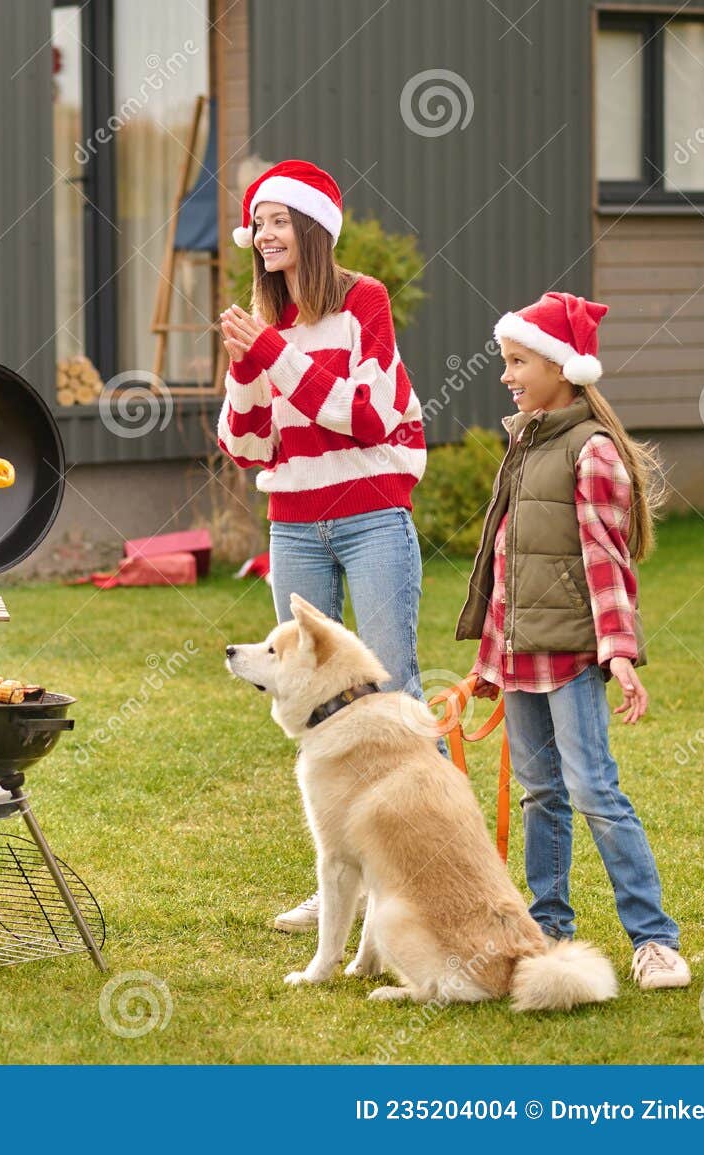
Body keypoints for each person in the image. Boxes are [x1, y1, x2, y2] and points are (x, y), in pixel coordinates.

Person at [216, 159, 432, 934]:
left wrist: (274, 358)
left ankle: (422, 875)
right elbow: (244, 444)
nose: (265, 235)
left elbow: (369, 416)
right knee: (310, 703)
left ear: (311, 229)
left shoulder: (362, 302)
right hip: (295, 523)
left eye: (279, 221)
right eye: (258, 223)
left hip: (372, 514)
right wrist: (247, 363)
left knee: (391, 694)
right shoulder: (266, 326)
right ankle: (342, 883)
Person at [457, 291, 689, 992]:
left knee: (594, 790)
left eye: (518, 360)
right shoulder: (527, 442)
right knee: (539, 793)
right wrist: (488, 661)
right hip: (522, 655)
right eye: (507, 360)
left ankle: (654, 940)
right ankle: (547, 929)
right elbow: (506, 563)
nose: (507, 373)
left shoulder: (588, 452)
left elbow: (604, 564)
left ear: (561, 366)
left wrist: (618, 651)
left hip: (569, 656)